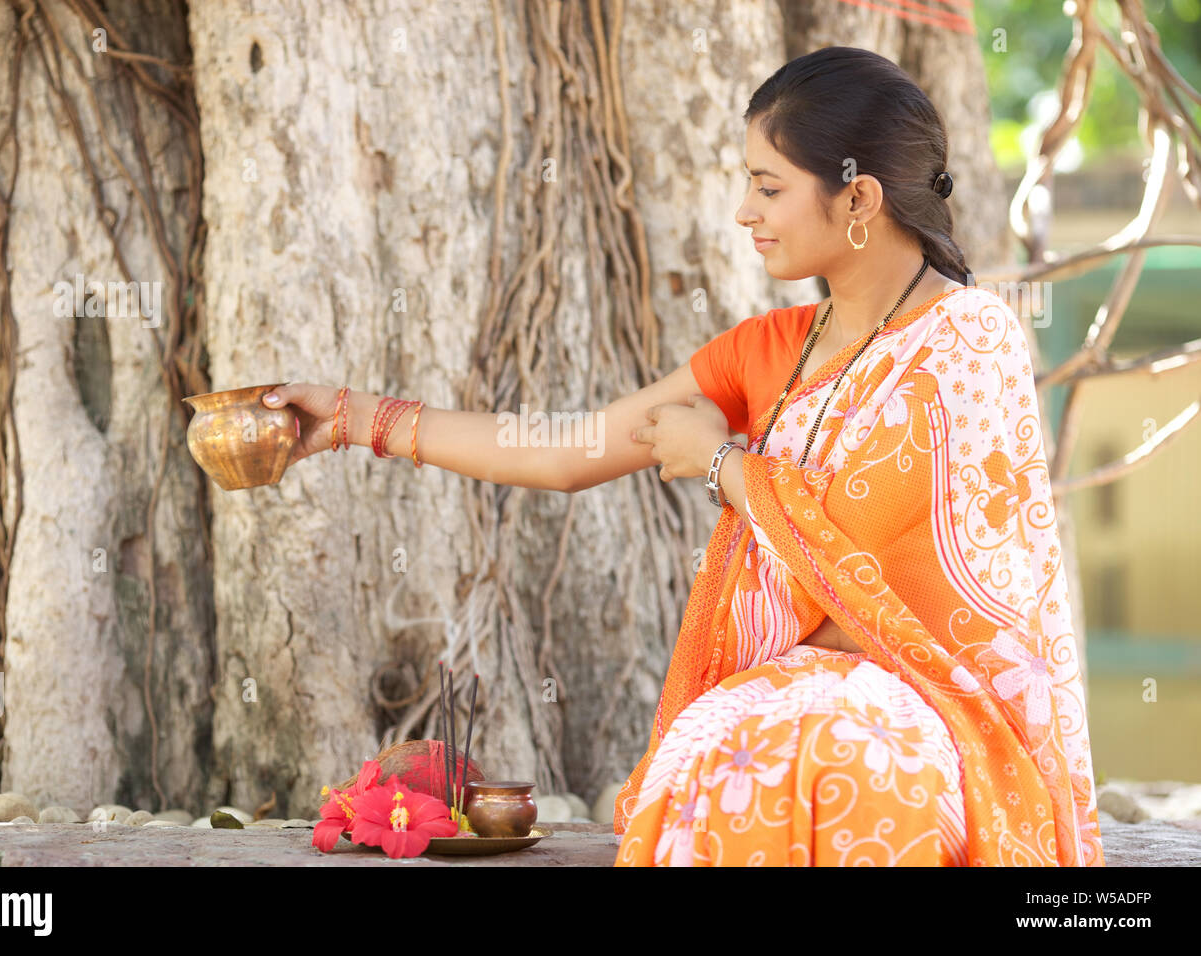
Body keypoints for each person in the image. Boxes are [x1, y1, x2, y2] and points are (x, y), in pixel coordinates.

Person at [260, 45, 1105, 867]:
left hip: (940, 717)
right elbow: (565, 448)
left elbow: (899, 578)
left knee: (846, 758)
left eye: (768, 187)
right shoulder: (771, 348)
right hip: (782, 700)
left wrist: (722, 467)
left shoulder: (969, 340)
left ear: (860, 200)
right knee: (727, 756)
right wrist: (351, 417)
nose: (745, 212)